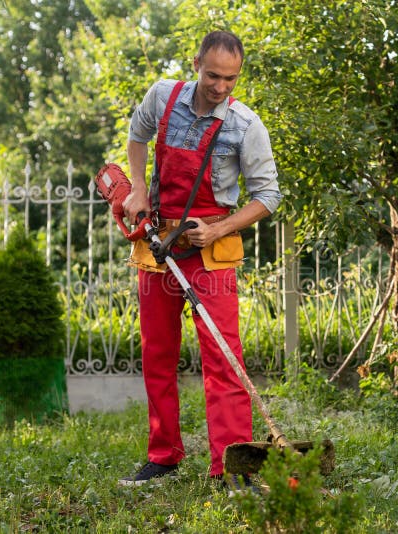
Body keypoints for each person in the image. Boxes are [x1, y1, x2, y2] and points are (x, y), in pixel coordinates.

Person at [118, 30, 281, 490]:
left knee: (223, 359)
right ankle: (163, 456)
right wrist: (135, 186)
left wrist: (218, 229)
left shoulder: (246, 125)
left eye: (230, 78)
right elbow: (137, 136)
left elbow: (268, 196)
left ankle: (231, 468)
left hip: (211, 249)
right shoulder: (162, 97)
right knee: (157, 353)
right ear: (196, 64)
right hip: (158, 244)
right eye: (213, 75)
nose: (221, 86)